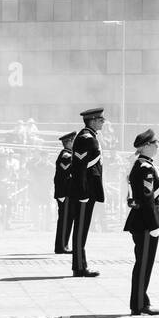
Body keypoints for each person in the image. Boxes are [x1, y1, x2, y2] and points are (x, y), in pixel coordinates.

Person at [123, 129, 159, 315]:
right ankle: (140, 304)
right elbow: (147, 198)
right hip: (145, 224)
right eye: (155, 143)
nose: (158, 146)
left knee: (143, 264)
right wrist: (154, 225)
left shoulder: (143, 165)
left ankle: (141, 301)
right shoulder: (145, 168)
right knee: (143, 264)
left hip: (142, 222)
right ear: (146, 146)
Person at [70, 107, 106, 278]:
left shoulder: (90, 137)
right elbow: (79, 168)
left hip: (88, 190)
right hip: (85, 191)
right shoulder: (86, 138)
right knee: (80, 228)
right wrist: (83, 192)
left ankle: (81, 265)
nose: (103, 122)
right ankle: (78, 267)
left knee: (83, 228)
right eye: (100, 120)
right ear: (92, 120)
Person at [52, 132, 76, 253]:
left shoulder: (69, 154)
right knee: (65, 220)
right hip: (64, 193)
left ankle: (63, 245)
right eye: (74, 141)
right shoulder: (66, 155)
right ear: (69, 142)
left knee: (67, 219)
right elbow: (66, 170)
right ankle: (61, 246)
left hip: (67, 192)